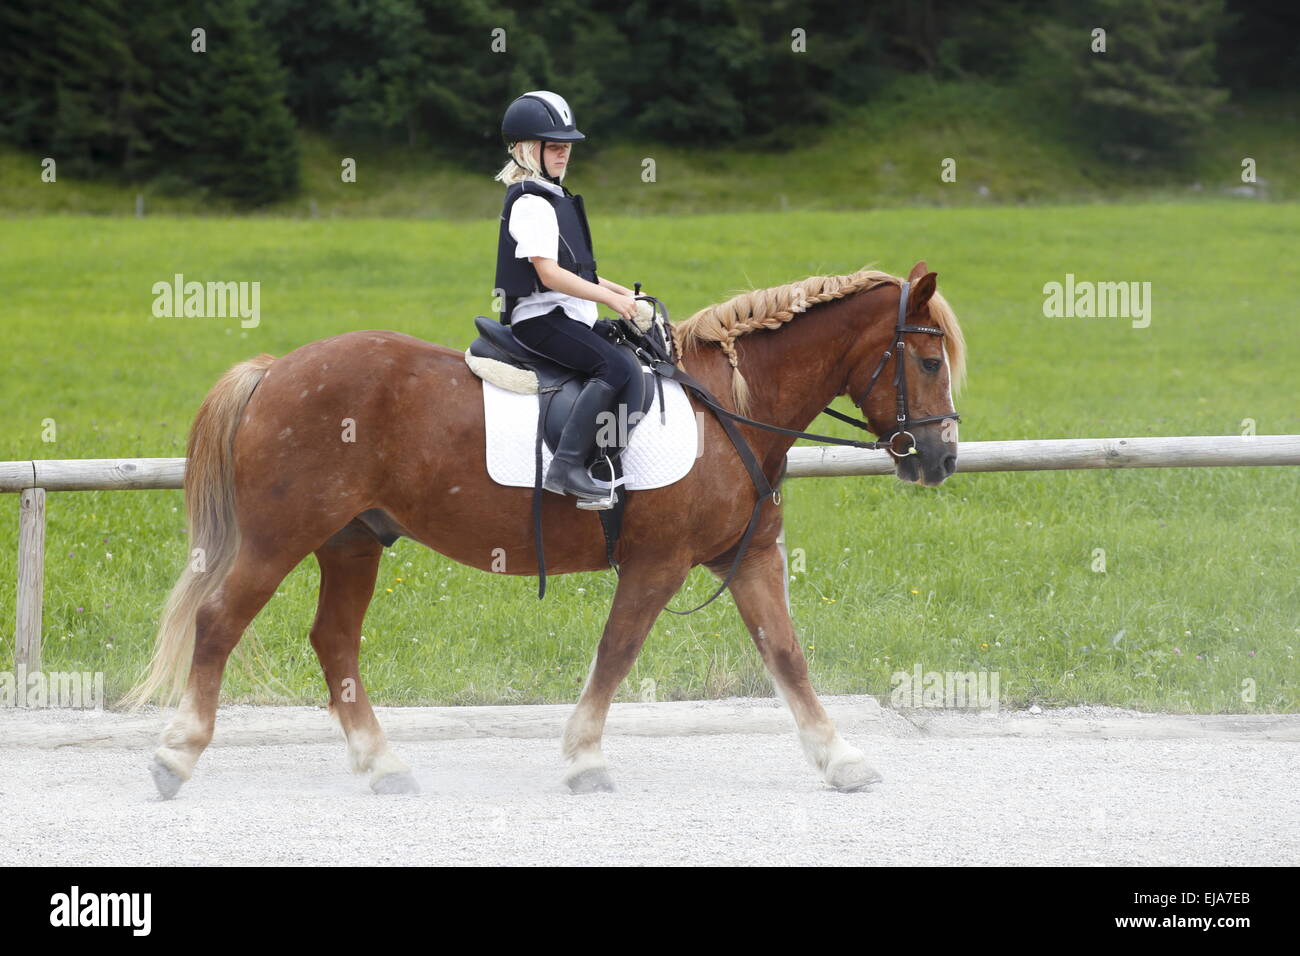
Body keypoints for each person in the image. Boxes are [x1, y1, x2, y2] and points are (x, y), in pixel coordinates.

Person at [493, 90, 640, 509]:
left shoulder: (553, 197)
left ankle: (606, 461)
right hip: (540, 320)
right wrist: (611, 302)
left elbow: (579, 273)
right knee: (611, 366)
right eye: (554, 147)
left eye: (566, 147)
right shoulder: (531, 202)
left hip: (566, 314)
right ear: (526, 149)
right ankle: (567, 467)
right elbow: (549, 274)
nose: (563, 155)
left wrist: (624, 294)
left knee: (630, 359)